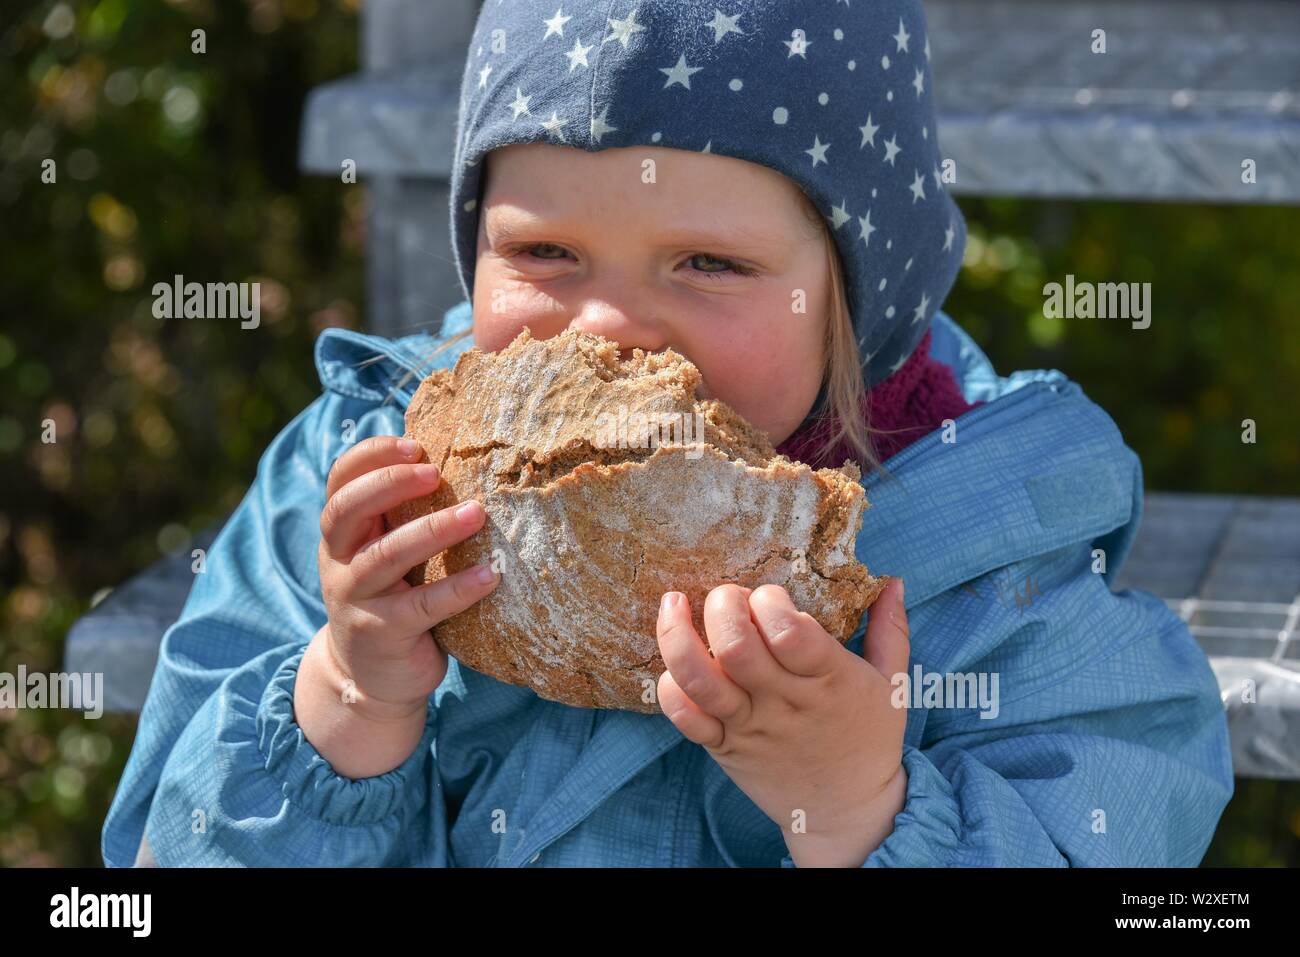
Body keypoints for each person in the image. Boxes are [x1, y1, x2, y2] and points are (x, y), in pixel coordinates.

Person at [102, 0, 1232, 867]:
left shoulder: (1000, 559)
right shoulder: (365, 489)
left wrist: (858, 810)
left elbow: (1122, 812)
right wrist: (347, 701)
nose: (609, 326)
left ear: (855, 294)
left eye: (709, 264)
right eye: (544, 253)